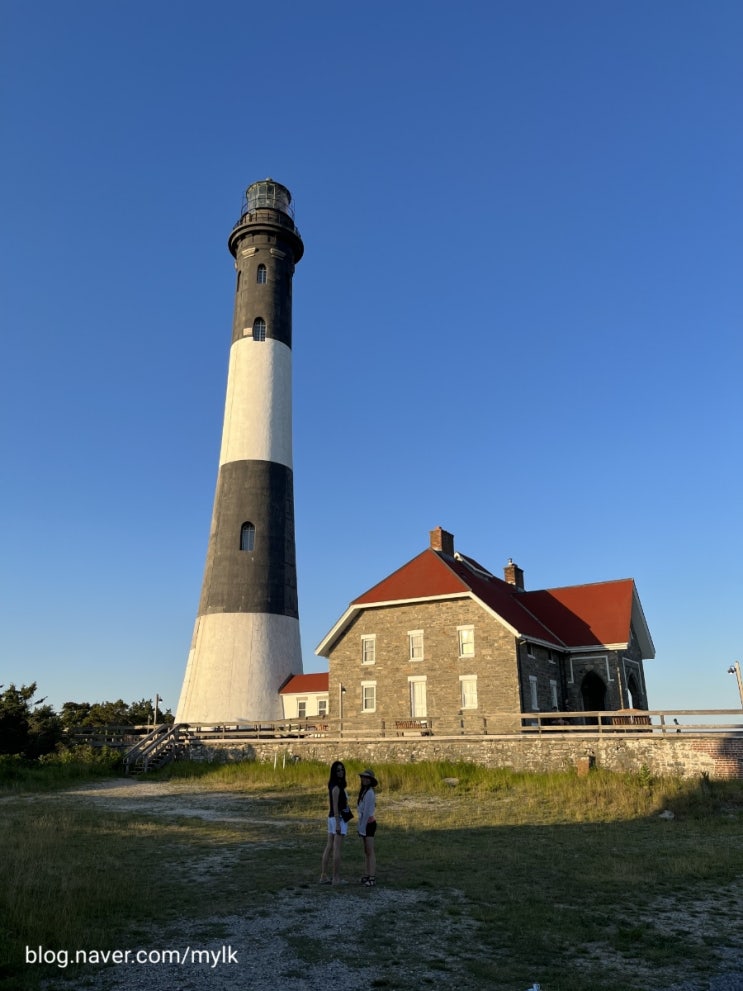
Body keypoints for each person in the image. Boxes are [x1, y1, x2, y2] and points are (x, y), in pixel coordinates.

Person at [320, 760, 349, 885]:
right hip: (338, 818)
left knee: (329, 846)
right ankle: (336, 878)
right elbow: (335, 806)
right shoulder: (336, 788)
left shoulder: (333, 785)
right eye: (338, 770)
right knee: (336, 849)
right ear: (334, 772)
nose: (341, 772)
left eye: (342, 769)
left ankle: (324, 876)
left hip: (332, 817)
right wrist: (338, 823)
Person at [357, 769, 378, 887]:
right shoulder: (364, 791)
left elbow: (366, 813)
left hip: (369, 824)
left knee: (370, 851)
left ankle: (372, 877)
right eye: (363, 777)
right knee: (366, 851)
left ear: (370, 780)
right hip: (364, 824)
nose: (364, 779)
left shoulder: (370, 793)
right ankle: (367, 874)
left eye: (366, 778)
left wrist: (362, 828)